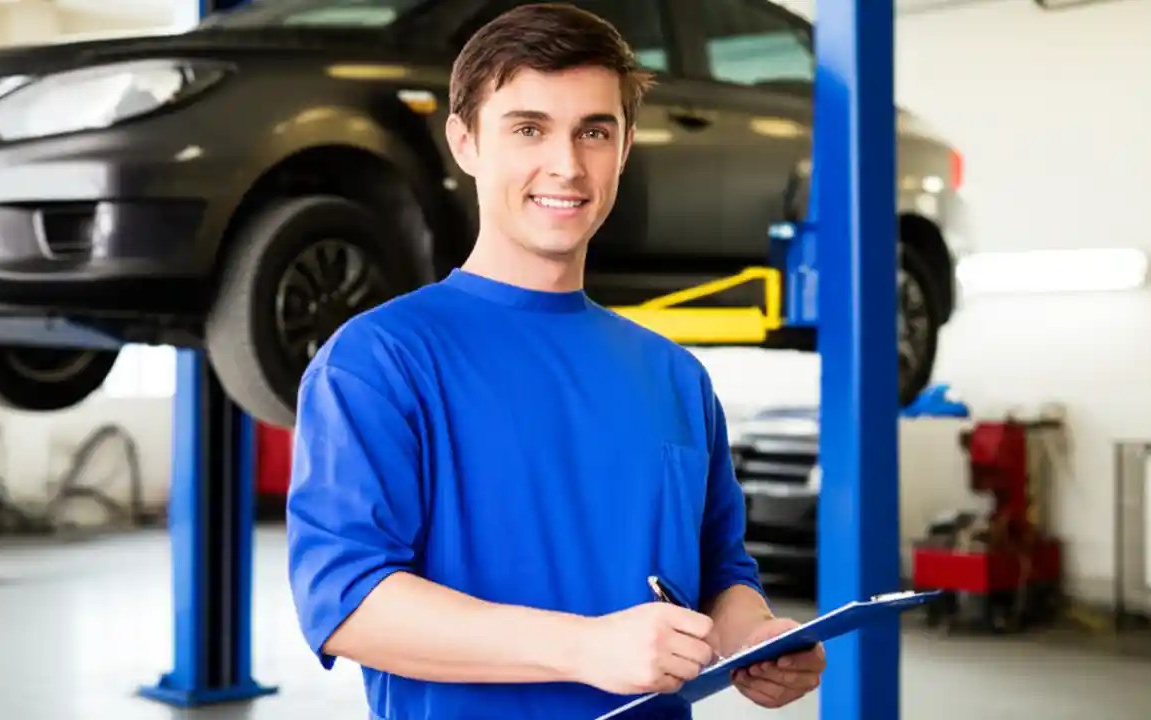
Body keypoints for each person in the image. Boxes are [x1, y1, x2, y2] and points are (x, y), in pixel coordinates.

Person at [286, 4, 826, 718]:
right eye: (529, 129)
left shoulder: (674, 377)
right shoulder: (381, 361)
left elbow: (719, 574)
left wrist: (754, 638)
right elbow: (347, 601)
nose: (567, 165)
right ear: (465, 141)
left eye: (594, 132)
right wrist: (582, 647)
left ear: (625, 146)